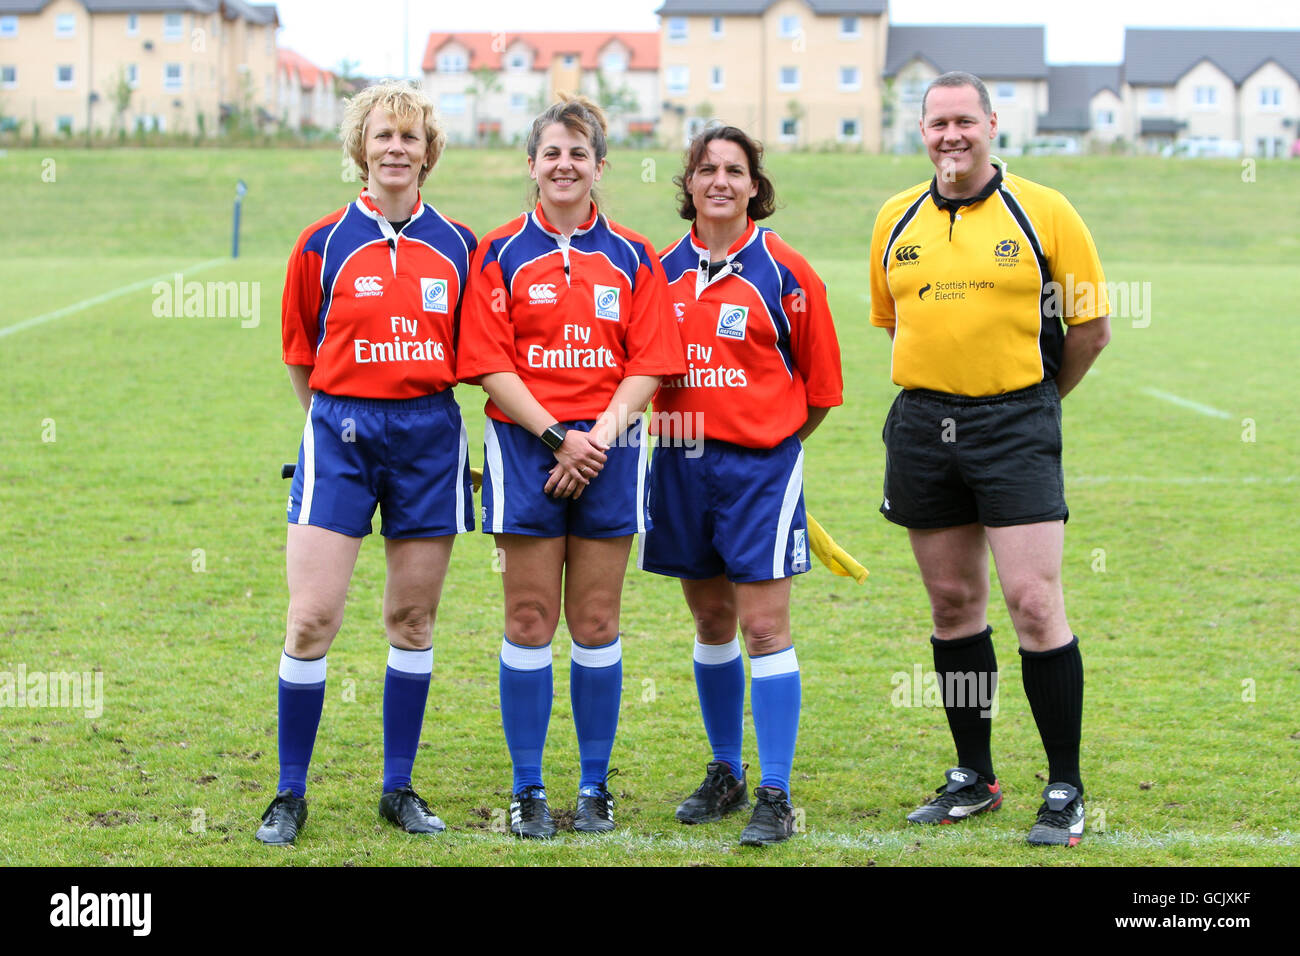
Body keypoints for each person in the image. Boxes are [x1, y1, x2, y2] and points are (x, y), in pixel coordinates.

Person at [868, 71, 1111, 847]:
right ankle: (974, 776)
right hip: (923, 425)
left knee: (1034, 603)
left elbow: (1090, 330)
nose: (951, 135)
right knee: (951, 605)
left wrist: (1036, 404)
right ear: (923, 132)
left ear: (992, 124)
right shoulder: (894, 218)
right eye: (938, 123)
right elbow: (894, 323)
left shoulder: (1045, 211)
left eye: (964, 121)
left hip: (1017, 423)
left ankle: (1065, 786)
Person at [456, 94, 685, 838]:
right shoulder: (497, 252)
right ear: (532, 164)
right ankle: (527, 788)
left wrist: (597, 439)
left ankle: (593, 787)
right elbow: (488, 361)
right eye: (551, 153)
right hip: (526, 448)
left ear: (599, 166)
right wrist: (559, 437)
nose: (564, 165)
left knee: (595, 620)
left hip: (610, 452)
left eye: (578, 153)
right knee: (528, 618)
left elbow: (649, 362)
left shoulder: (634, 256)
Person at [256, 81, 477, 845]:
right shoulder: (321, 243)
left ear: (428, 152)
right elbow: (300, 353)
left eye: (410, 137)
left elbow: (479, 353)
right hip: (338, 433)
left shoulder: (461, 246)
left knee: (411, 620)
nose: (396, 148)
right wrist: (331, 421)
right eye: (383, 134)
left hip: (429, 438)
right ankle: (289, 793)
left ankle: (398, 788)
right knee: (311, 618)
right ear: (361, 147)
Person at [639, 125, 843, 846]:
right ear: (688, 184)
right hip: (678, 464)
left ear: (755, 186)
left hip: (760, 471)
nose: (720, 181)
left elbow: (820, 391)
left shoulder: (787, 272)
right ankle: (726, 770)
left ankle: (776, 792)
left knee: (763, 627)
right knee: (710, 622)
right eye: (706, 169)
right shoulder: (656, 270)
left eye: (734, 170)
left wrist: (767, 440)